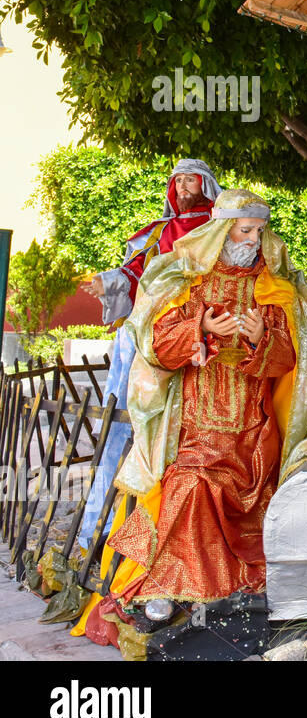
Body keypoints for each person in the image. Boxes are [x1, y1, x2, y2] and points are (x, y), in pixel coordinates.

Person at [76, 189, 307, 636]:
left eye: (259, 231)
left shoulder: (274, 289)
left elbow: (295, 361)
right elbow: (157, 346)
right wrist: (198, 328)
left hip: (254, 433)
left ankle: (221, 588)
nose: (254, 239)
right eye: (245, 229)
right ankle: (166, 585)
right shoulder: (190, 283)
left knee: (251, 500)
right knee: (189, 485)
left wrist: (263, 339)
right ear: (223, 230)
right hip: (196, 427)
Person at [76, 159, 222, 553]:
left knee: (175, 433)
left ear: (206, 183)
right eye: (179, 179)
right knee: (120, 421)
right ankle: (102, 524)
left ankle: (167, 527)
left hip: (191, 339)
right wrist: (109, 282)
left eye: (192, 177)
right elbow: (134, 271)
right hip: (139, 337)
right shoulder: (158, 232)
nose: (185, 184)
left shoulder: (220, 229)